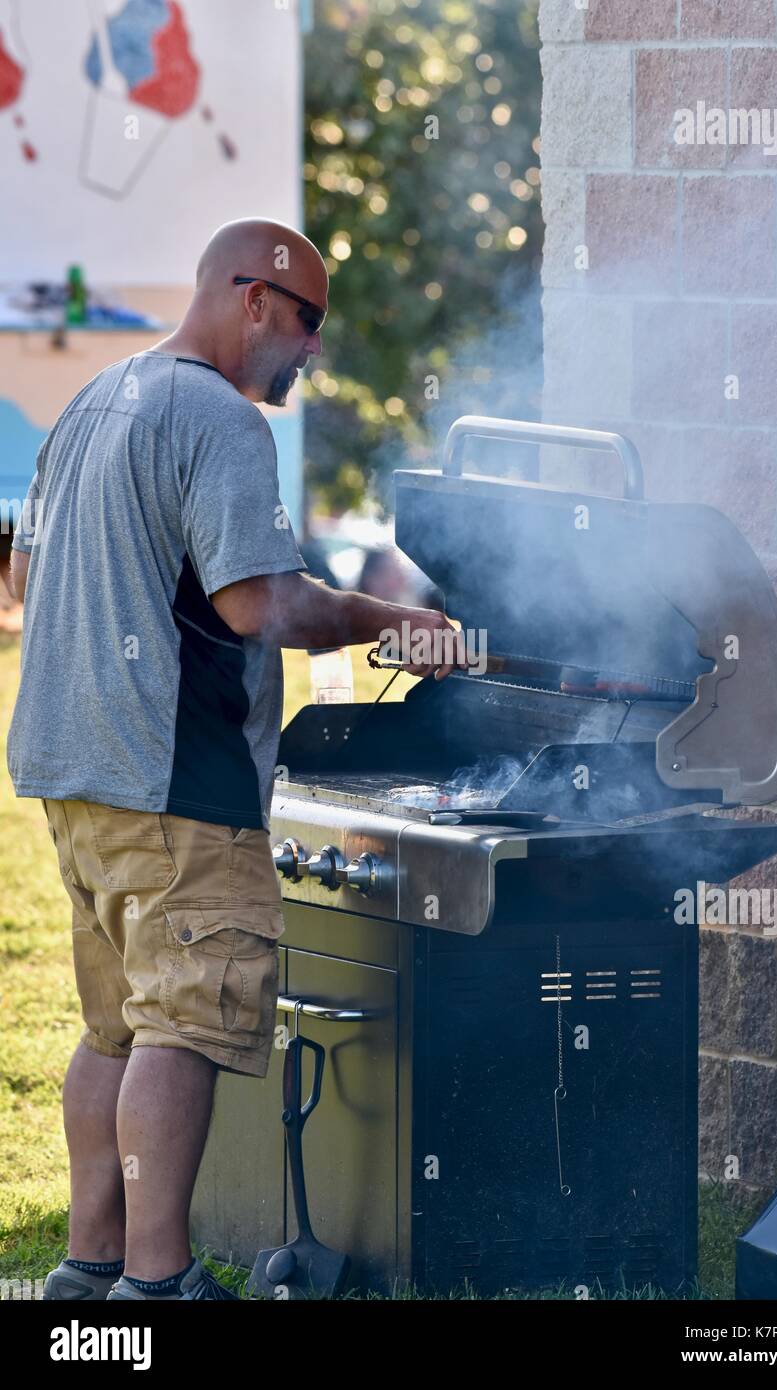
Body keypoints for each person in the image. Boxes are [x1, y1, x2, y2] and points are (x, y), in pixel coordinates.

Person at [6, 218, 458, 1302]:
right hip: (177, 780)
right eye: (305, 323)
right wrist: (378, 620)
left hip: (73, 771)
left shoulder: (93, 401)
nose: (311, 347)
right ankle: (160, 1287)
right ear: (252, 298)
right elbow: (258, 601)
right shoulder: (218, 418)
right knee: (182, 1025)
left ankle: (91, 1267)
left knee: (115, 1027)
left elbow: (22, 576)